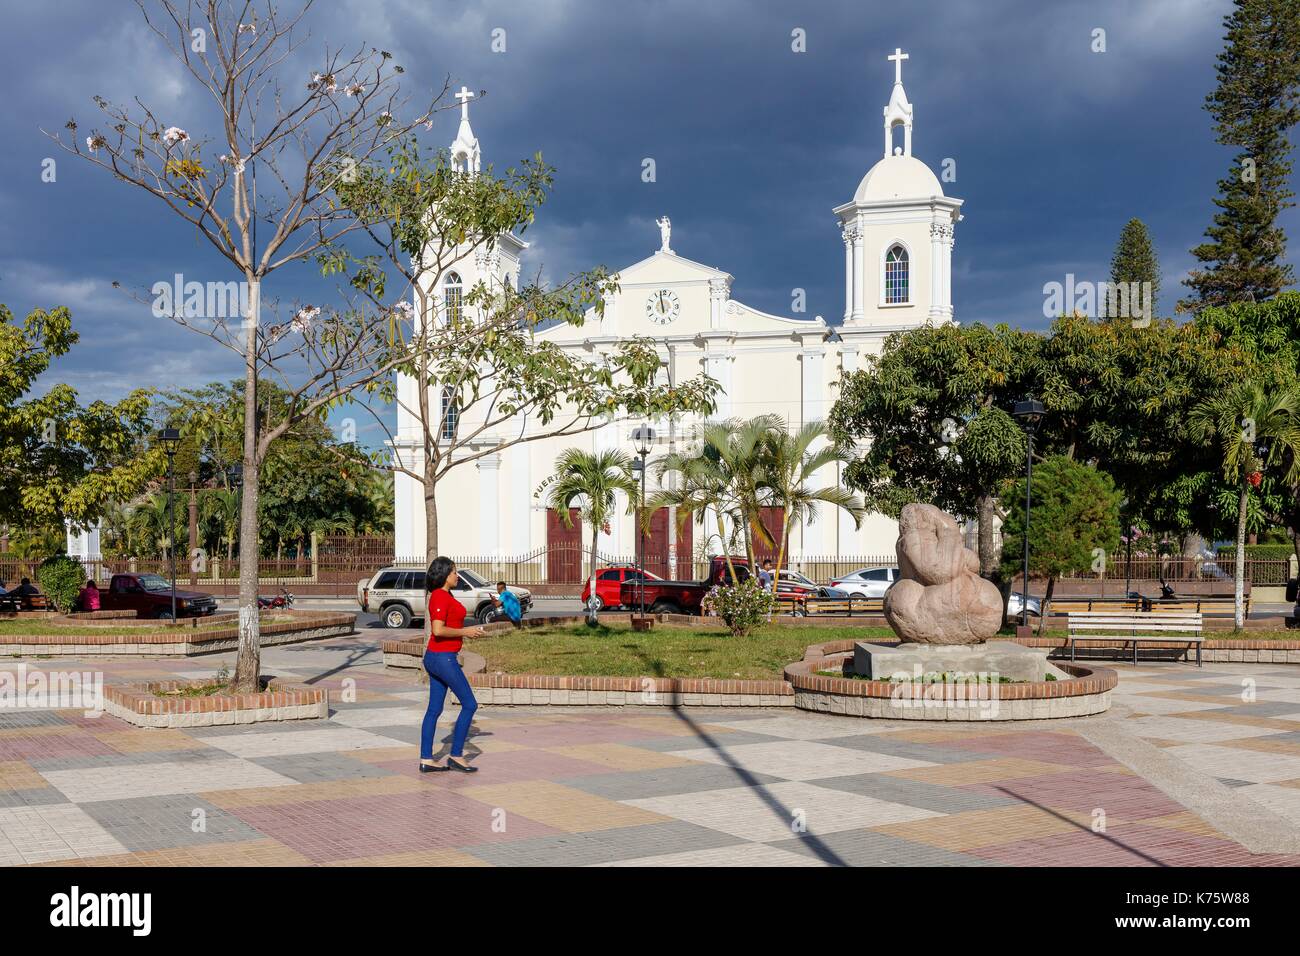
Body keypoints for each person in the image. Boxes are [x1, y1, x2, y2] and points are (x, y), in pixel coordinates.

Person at [419, 557, 484, 774]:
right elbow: (437, 630)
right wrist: (466, 632)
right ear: (445, 574)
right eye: (455, 572)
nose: (457, 575)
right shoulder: (438, 595)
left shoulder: (446, 595)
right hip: (442, 658)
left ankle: (427, 759)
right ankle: (456, 755)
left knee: (434, 709)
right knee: (470, 704)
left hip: (440, 657)